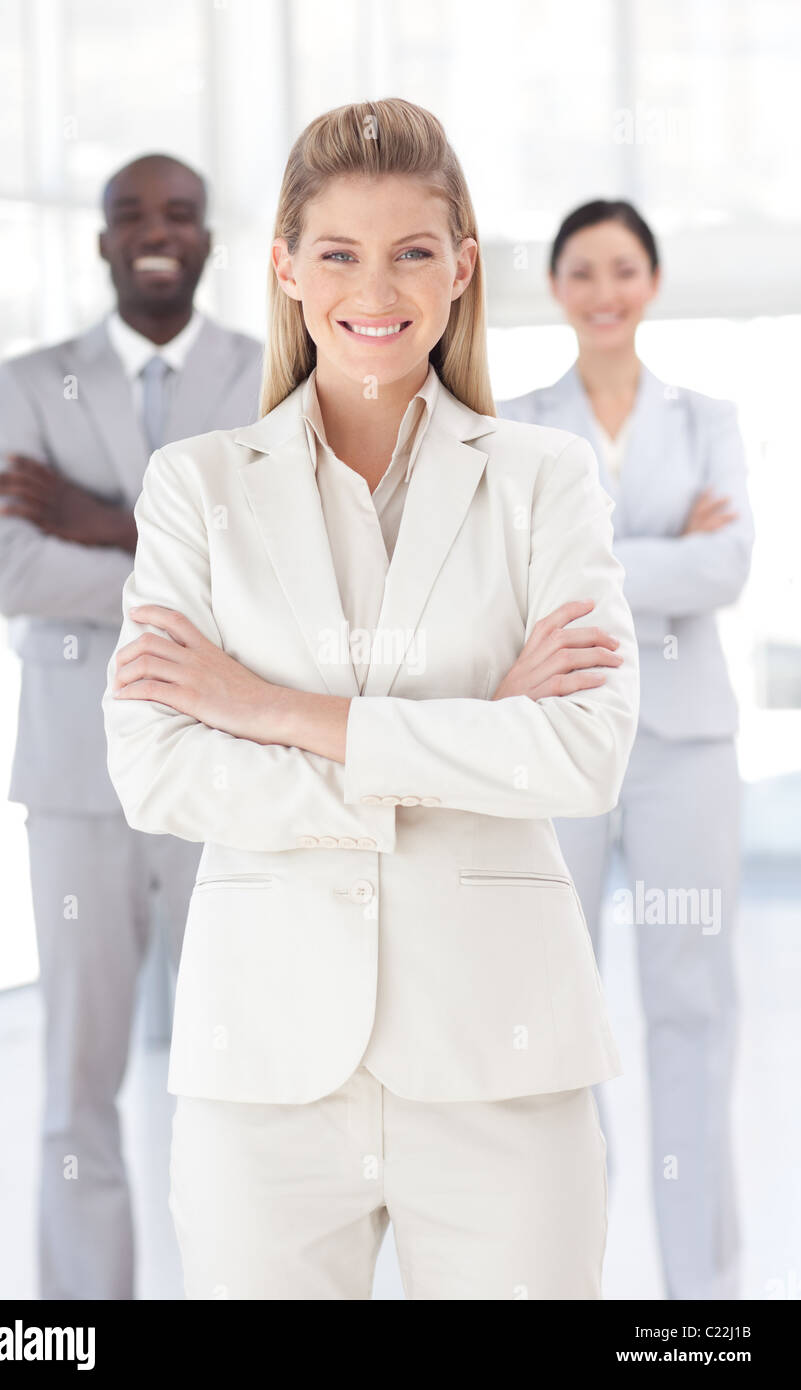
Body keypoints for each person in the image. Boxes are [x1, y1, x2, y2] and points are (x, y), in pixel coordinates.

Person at [102, 102, 639, 1301]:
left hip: (502, 1055)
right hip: (264, 1068)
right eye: (338, 251)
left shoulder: (545, 481)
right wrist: (470, 738)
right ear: (286, 268)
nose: (374, 287)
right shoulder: (194, 489)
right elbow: (157, 771)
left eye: (410, 251)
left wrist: (272, 706)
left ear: (460, 269)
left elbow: (584, 754)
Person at [0, 153, 262, 1300]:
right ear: (101, 241)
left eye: (180, 213)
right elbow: (12, 568)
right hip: (76, 779)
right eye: (131, 215)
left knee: (236, 1071)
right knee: (77, 1078)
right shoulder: (30, 379)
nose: (157, 231)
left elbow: (269, 576)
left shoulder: (265, 375)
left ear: (206, 238)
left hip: (223, 771)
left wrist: (104, 517)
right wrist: (177, 562)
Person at [498, 199, 755, 1300]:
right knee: (561, 1008)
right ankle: (570, 1278)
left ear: (649, 281)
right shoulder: (514, 422)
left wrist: (592, 565)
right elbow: (513, 580)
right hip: (562, 730)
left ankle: (702, 1297)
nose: (603, 290)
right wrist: (662, 553)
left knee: (691, 1004)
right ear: (555, 286)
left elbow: (727, 567)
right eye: (581, 270)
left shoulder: (707, 418)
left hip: (684, 741)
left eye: (623, 268)